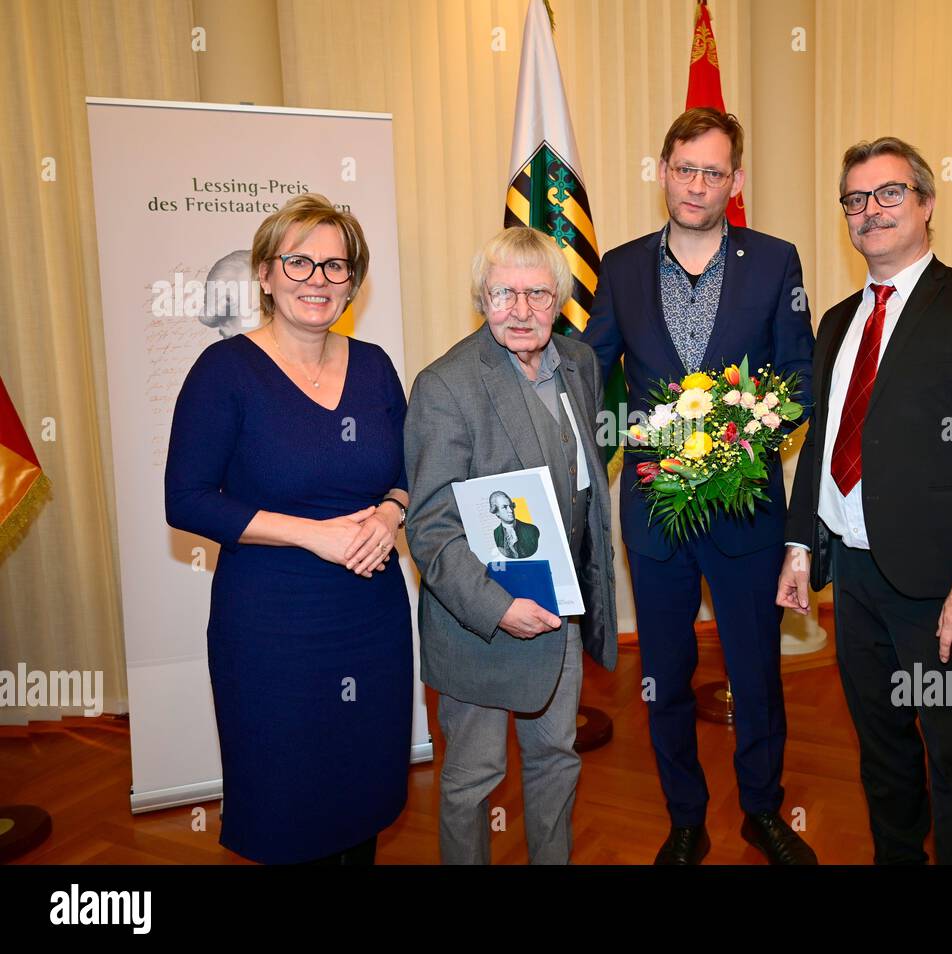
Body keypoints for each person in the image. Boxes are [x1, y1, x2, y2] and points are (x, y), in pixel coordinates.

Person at [778, 137, 952, 865]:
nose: (872, 210)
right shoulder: (836, 322)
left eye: (890, 192)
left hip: (939, 588)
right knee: (883, 748)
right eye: (856, 200)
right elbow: (822, 446)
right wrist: (802, 546)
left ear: (927, 202)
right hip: (855, 579)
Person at [582, 107, 816, 865]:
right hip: (654, 515)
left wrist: (738, 445)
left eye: (714, 172)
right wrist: (624, 445)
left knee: (756, 674)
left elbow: (800, 380)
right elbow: (596, 377)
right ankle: (686, 816)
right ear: (661, 171)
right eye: (685, 169)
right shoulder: (617, 268)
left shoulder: (776, 261)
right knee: (665, 675)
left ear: (736, 181)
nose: (697, 185)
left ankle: (761, 810)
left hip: (746, 511)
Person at [165, 193, 413, 865]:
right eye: (299, 261)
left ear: (353, 282)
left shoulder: (375, 366)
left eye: (336, 266)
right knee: (287, 799)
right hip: (272, 626)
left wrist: (390, 513)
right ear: (266, 275)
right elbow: (185, 500)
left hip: (371, 617)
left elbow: (411, 471)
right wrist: (314, 534)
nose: (318, 279)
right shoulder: (224, 372)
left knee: (361, 792)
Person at [404, 226, 617, 865]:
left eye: (539, 295)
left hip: (562, 615)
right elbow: (431, 526)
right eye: (505, 294)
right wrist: (498, 607)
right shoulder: (446, 385)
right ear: (481, 298)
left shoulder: (579, 364)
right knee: (473, 780)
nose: (522, 311)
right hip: (481, 625)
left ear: (560, 301)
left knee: (557, 760)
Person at [489, 490, 540, 558]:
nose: (510, 510)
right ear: (496, 512)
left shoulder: (531, 530)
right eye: (504, 507)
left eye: (511, 506)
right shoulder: (496, 533)